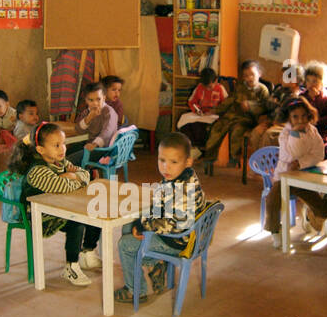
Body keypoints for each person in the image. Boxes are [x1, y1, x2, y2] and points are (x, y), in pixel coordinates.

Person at [114, 132, 206, 305]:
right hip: (181, 233)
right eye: (162, 160)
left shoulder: (182, 189)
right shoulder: (182, 176)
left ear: (188, 162)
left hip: (178, 240)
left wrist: (145, 225)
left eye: (173, 162)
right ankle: (157, 264)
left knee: (125, 245)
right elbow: (162, 206)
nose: (166, 167)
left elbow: (173, 225)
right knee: (129, 227)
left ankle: (136, 290)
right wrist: (142, 222)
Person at [11, 123, 100, 287]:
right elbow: (62, 187)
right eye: (56, 145)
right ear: (40, 149)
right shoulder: (37, 170)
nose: (62, 149)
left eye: (63, 144)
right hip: (40, 216)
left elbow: (85, 174)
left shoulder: (60, 162)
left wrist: (72, 176)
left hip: (56, 208)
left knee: (94, 211)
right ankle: (71, 267)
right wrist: (74, 178)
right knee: (77, 221)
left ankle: (88, 252)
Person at [266, 98, 327, 247]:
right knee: (272, 199)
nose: (300, 120)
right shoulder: (285, 134)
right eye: (295, 116)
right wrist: (295, 135)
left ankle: (311, 216)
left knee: (324, 210)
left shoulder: (313, 132)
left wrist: (301, 163)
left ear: (309, 115)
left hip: (304, 177)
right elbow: (290, 154)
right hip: (284, 176)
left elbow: (318, 154)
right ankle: (275, 230)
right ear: (288, 117)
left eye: (303, 116)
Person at [200, 60, 271, 166]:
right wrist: (216, 110)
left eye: (252, 74)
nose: (249, 78)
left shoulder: (263, 90)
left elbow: (265, 107)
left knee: (237, 130)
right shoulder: (240, 87)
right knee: (217, 128)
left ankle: (234, 157)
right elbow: (230, 100)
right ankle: (209, 156)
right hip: (232, 116)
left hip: (247, 120)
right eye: (246, 76)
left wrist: (250, 106)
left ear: (259, 74)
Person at [76, 82, 119, 160]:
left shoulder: (109, 112)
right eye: (91, 100)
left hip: (105, 148)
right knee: (64, 155)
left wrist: (94, 144)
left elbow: (107, 132)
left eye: (98, 99)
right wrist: (88, 118)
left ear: (104, 98)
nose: (95, 103)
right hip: (89, 144)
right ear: (86, 100)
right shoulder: (87, 112)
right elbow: (79, 130)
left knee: (70, 161)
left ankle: (86, 171)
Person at [300, 60, 327, 144]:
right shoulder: (302, 96)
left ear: (322, 82)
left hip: (321, 132)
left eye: (314, 81)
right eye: (308, 80)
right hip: (302, 129)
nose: (311, 84)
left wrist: (316, 121)